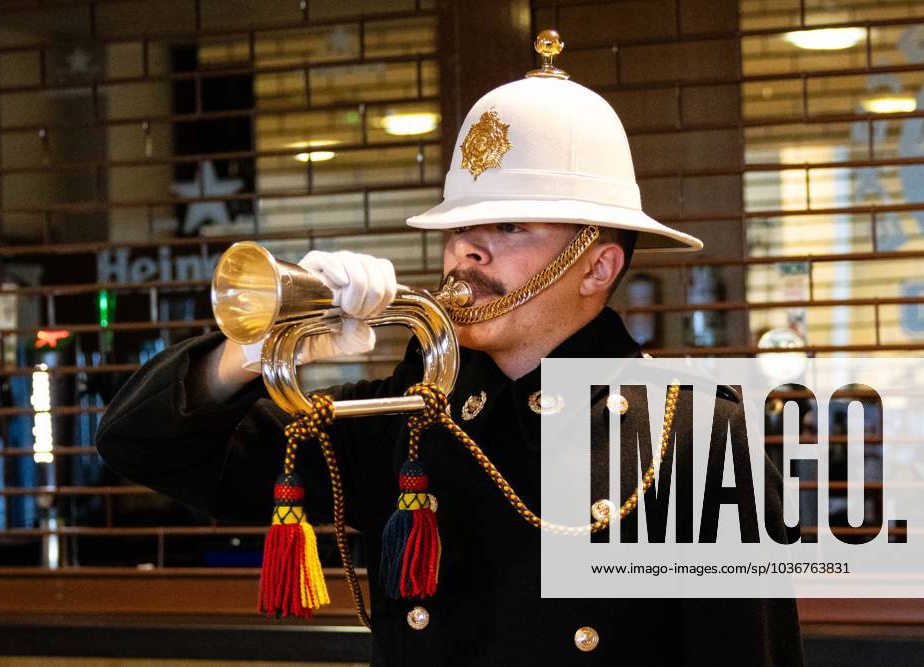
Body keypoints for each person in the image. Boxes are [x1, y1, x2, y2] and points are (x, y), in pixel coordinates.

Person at [96, 30, 804, 666]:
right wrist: (262, 347)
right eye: (459, 227)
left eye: (506, 225)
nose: (465, 248)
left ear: (596, 267)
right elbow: (142, 444)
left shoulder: (693, 437)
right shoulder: (409, 415)